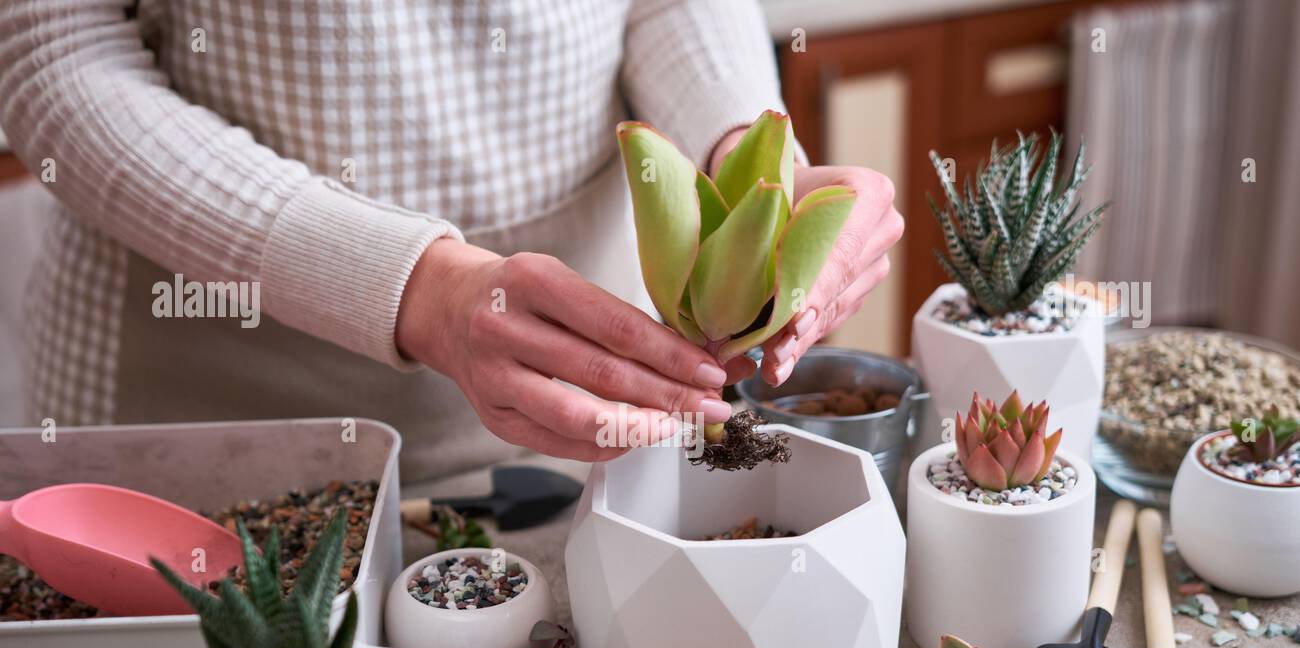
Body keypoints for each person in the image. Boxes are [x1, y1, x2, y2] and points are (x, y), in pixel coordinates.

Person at [0, 0, 902, 480]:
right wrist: (420, 291)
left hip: (581, 396)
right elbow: (53, 54)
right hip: (217, 413)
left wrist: (745, 162)